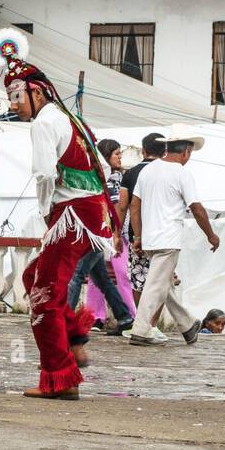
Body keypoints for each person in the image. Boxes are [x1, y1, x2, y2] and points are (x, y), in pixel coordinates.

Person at [0, 27, 120, 398]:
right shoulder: (68, 117)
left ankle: (60, 378)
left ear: (37, 91)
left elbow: (44, 174)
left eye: (16, 95)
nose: (13, 104)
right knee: (34, 278)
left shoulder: (45, 123)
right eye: (10, 96)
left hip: (71, 218)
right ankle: (75, 340)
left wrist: (47, 213)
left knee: (43, 290)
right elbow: (104, 171)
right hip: (90, 216)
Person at [128, 124, 220, 346]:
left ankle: (187, 325)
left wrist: (138, 236)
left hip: (150, 238)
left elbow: (134, 205)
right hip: (168, 238)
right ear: (186, 151)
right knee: (156, 285)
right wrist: (211, 235)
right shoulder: (182, 173)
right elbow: (196, 208)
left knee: (162, 283)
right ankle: (140, 329)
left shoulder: (147, 170)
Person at [67, 138, 135, 331]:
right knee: (97, 277)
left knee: (93, 275)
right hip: (101, 232)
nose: (120, 157)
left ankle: (124, 314)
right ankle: (112, 315)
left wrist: (115, 232)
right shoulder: (104, 178)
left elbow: (117, 208)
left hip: (109, 233)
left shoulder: (116, 179)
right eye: (116, 153)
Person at [119, 132, 165, 300]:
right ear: (164, 150)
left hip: (137, 235)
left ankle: (140, 317)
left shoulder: (130, 174)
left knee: (138, 279)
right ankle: (153, 322)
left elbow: (123, 206)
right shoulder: (170, 172)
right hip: (164, 234)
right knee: (161, 279)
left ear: (144, 150)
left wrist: (117, 233)